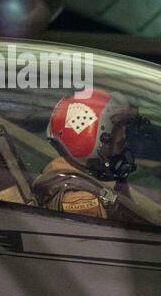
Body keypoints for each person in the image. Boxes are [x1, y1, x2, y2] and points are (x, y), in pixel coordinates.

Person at [36, 88, 147, 222]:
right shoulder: (82, 202)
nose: (123, 136)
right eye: (117, 129)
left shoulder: (64, 174)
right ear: (88, 138)